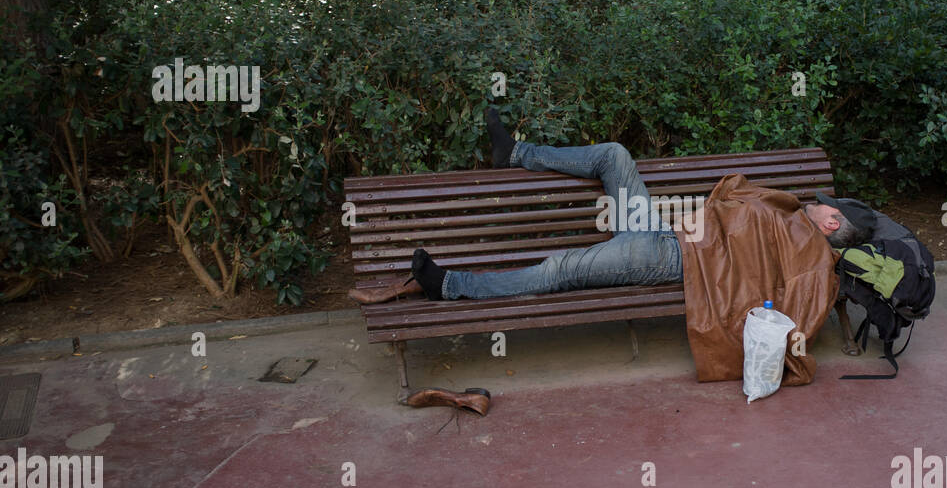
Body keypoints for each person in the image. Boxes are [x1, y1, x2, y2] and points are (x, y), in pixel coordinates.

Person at [349, 109, 871, 306]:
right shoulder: (791, 223)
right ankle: (518, 154)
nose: (813, 202)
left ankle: (448, 285)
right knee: (615, 156)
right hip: (662, 234)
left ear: (831, 224)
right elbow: (732, 197)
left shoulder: (807, 253)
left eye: (822, 206)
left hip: (669, 262)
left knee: (558, 271)